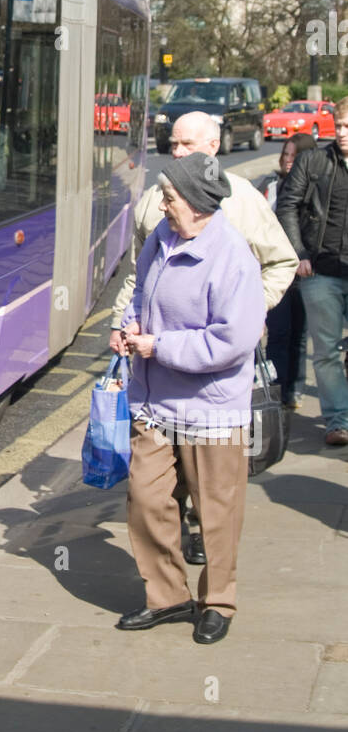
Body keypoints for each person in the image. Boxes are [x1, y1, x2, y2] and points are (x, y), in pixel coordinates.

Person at [110, 111, 297, 564]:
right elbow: (139, 273)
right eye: (172, 144)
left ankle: (199, 532)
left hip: (218, 361)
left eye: (187, 145)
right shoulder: (154, 200)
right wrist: (122, 322)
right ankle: (168, 560)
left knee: (212, 470)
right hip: (156, 366)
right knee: (156, 478)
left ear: (213, 147)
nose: (176, 153)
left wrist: (252, 309)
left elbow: (282, 262)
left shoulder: (242, 200)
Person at [117, 154, 265, 645]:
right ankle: (169, 597)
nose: (163, 205)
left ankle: (218, 601)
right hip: (156, 401)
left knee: (217, 511)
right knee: (146, 498)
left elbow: (231, 341)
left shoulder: (233, 257)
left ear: (200, 207)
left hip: (211, 407)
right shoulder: (162, 237)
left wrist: (160, 346)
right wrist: (130, 326)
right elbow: (141, 294)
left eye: (172, 198)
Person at [277, 98, 348, 446]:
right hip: (319, 271)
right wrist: (299, 253)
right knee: (326, 351)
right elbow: (287, 204)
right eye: (341, 125)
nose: (344, 133)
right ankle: (338, 421)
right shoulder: (314, 160)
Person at [257, 133, 315, 410]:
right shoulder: (270, 184)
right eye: (285, 155)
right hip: (275, 269)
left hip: (306, 269)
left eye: (295, 156)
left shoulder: (316, 188)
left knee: (299, 334)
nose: (288, 161)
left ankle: (295, 388)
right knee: (278, 332)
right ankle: (277, 390)